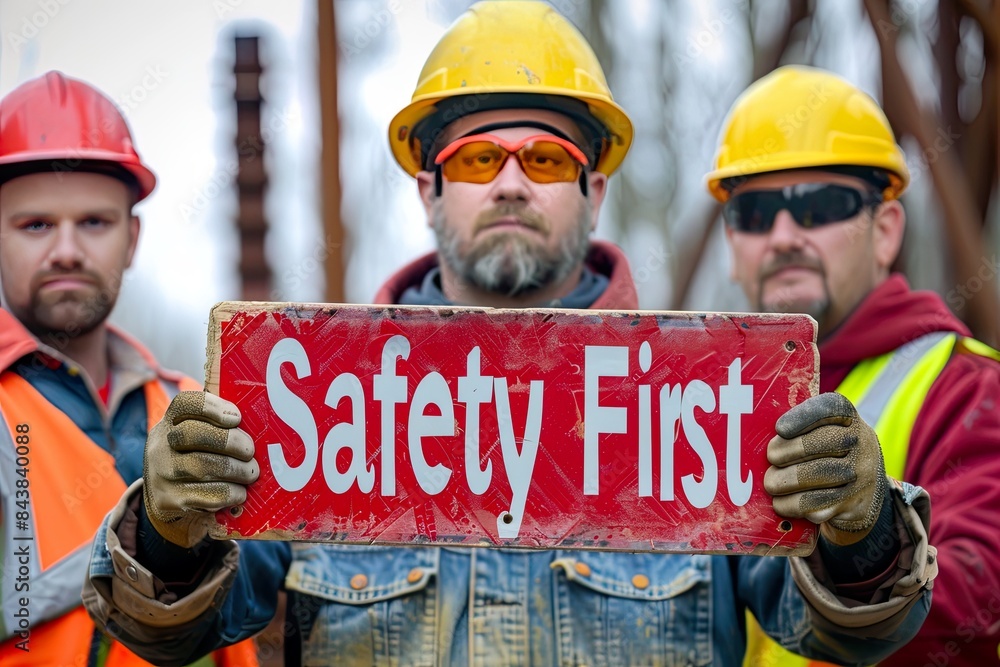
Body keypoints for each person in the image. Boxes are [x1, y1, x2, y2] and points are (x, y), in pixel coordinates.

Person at [84, 4, 935, 665]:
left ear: (594, 190)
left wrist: (862, 534)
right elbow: (176, 632)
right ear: (429, 190)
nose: (513, 184)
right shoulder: (314, 397)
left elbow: (844, 633)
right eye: (479, 160)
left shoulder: (704, 398)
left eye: (549, 160)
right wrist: (166, 531)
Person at [707, 65, 1000, 666]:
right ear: (732, 248)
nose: (784, 235)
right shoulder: (703, 400)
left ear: (886, 230)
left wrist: (868, 542)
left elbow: (975, 607)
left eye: (819, 206)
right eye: (755, 214)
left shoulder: (970, 388)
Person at [0, 72, 259, 666]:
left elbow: (257, 598)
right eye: (35, 224)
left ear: (133, 237)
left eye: (94, 222)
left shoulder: (197, 406)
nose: (66, 249)